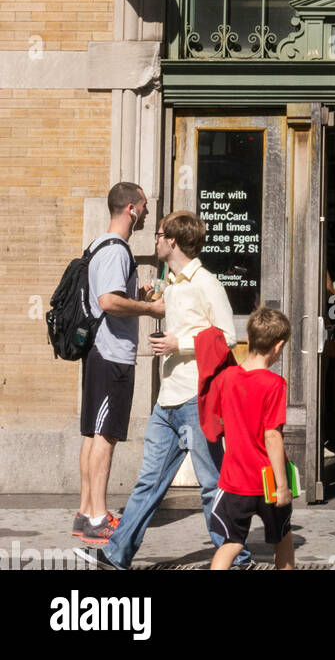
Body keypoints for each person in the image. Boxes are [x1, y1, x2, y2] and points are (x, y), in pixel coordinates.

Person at [76, 210, 243, 570]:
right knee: (148, 483)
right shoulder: (175, 283)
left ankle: (238, 555)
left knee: (212, 485)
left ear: (174, 241)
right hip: (167, 400)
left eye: (160, 234)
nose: (155, 239)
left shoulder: (206, 283)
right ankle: (117, 555)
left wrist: (178, 344)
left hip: (194, 399)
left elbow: (228, 335)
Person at [75, 182, 165, 547]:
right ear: (131, 208)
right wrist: (149, 308)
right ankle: (97, 518)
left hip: (101, 352)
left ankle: (86, 512)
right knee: (105, 437)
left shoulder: (100, 245)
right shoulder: (116, 250)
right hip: (111, 354)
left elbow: (111, 297)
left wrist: (134, 296)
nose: (145, 213)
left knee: (94, 434)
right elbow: (108, 302)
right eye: (143, 206)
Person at [209, 306, 295, 571]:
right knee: (282, 538)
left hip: (235, 479)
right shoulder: (275, 384)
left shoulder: (226, 378)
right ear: (278, 347)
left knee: (232, 542)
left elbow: (219, 420)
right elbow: (272, 436)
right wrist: (282, 485)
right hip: (268, 480)